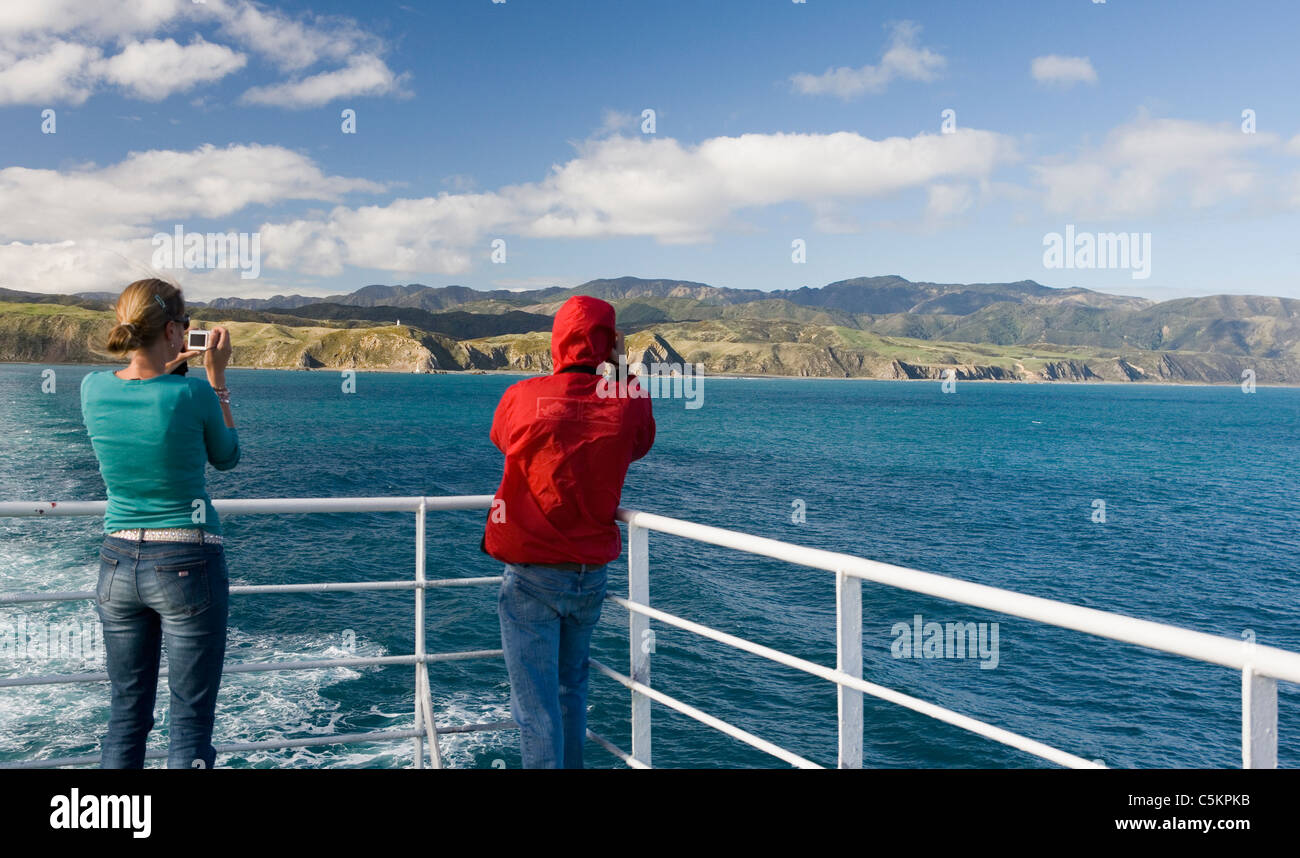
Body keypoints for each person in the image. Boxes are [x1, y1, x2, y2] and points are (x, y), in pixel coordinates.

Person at [485, 295, 655, 768]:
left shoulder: (522, 396)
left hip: (532, 576)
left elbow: (502, 437)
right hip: (589, 575)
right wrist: (619, 367)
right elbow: (640, 442)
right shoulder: (626, 402)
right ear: (607, 344)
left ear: (557, 340)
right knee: (570, 692)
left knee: (535, 711)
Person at [80, 278, 239, 768]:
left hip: (116, 561)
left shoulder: (92, 388)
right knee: (190, 722)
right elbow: (227, 456)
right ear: (173, 330)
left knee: (126, 714)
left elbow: (140, 390)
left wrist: (169, 365)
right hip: (186, 560)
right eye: (185, 326)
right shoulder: (193, 394)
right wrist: (217, 379)